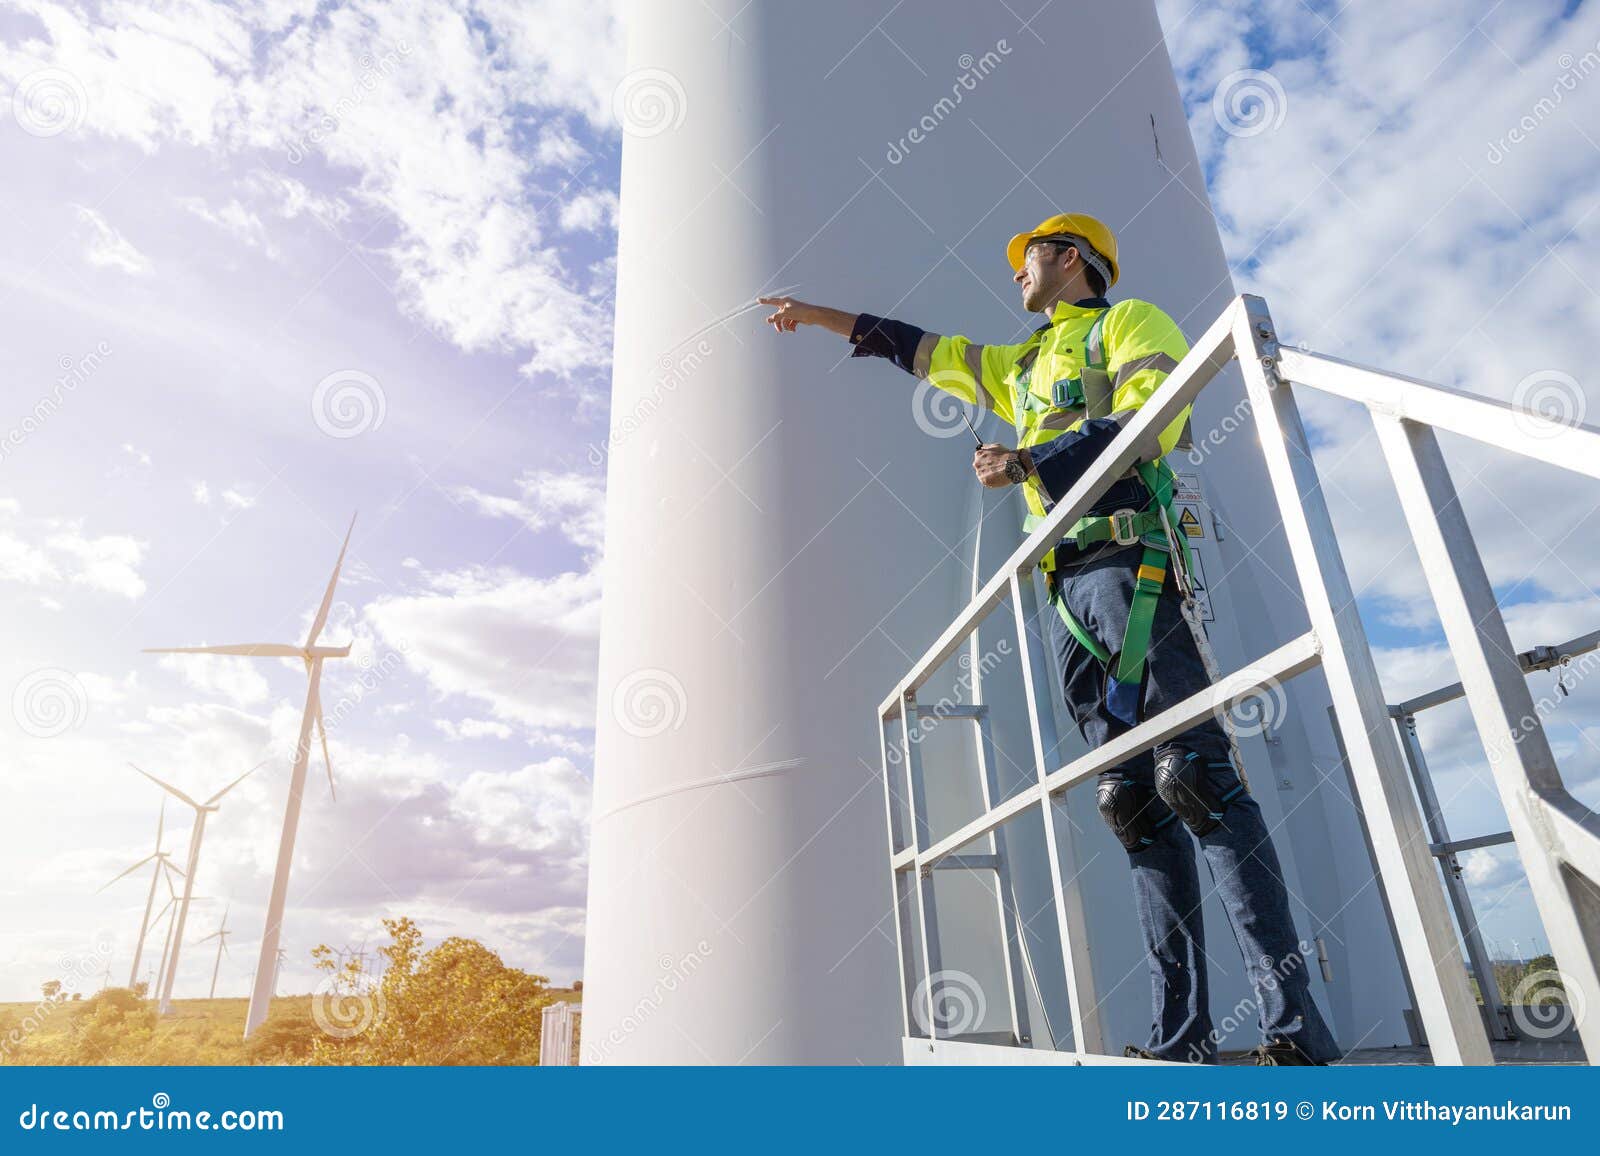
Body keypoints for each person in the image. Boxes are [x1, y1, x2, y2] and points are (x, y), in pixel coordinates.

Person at [757, 213, 1342, 1066]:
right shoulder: (1018, 364)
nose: (1014, 276)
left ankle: (1296, 1033)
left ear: (1069, 257)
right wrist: (816, 315)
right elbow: (920, 348)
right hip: (1064, 592)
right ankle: (1182, 1041)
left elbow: (1157, 421)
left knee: (1199, 778)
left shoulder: (1126, 323)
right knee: (1133, 804)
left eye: (1024, 259)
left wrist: (1032, 464)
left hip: (1130, 562)